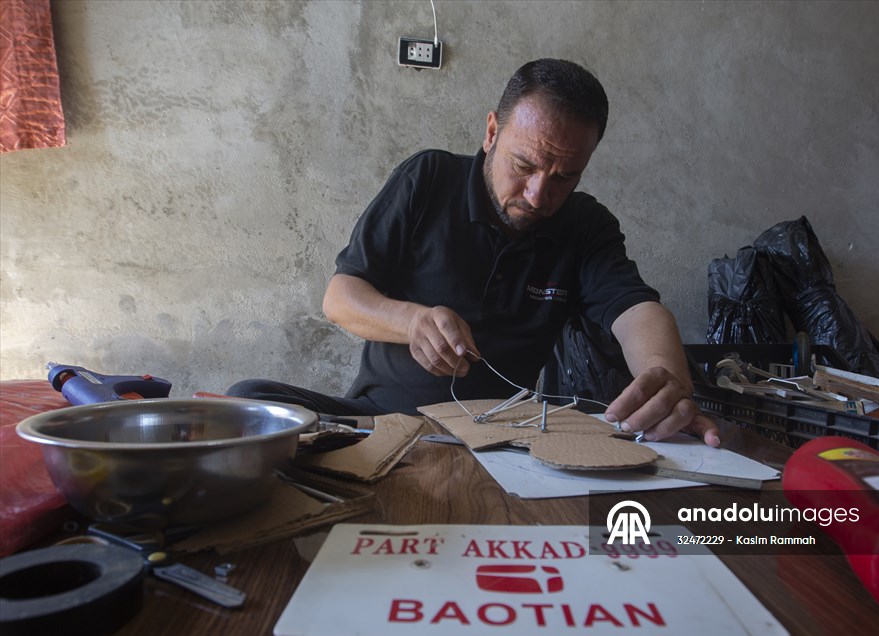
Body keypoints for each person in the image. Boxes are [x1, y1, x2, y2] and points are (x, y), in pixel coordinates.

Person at [228, 58, 720, 447]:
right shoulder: (428, 179)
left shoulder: (585, 224)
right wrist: (412, 322)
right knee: (248, 401)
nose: (537, 195)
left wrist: (669, 380)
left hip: (503, 434)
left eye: (565, 177)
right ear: (491, 133)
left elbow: (636, 310)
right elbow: (340, 296)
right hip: (380, 422)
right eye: (524, 164)